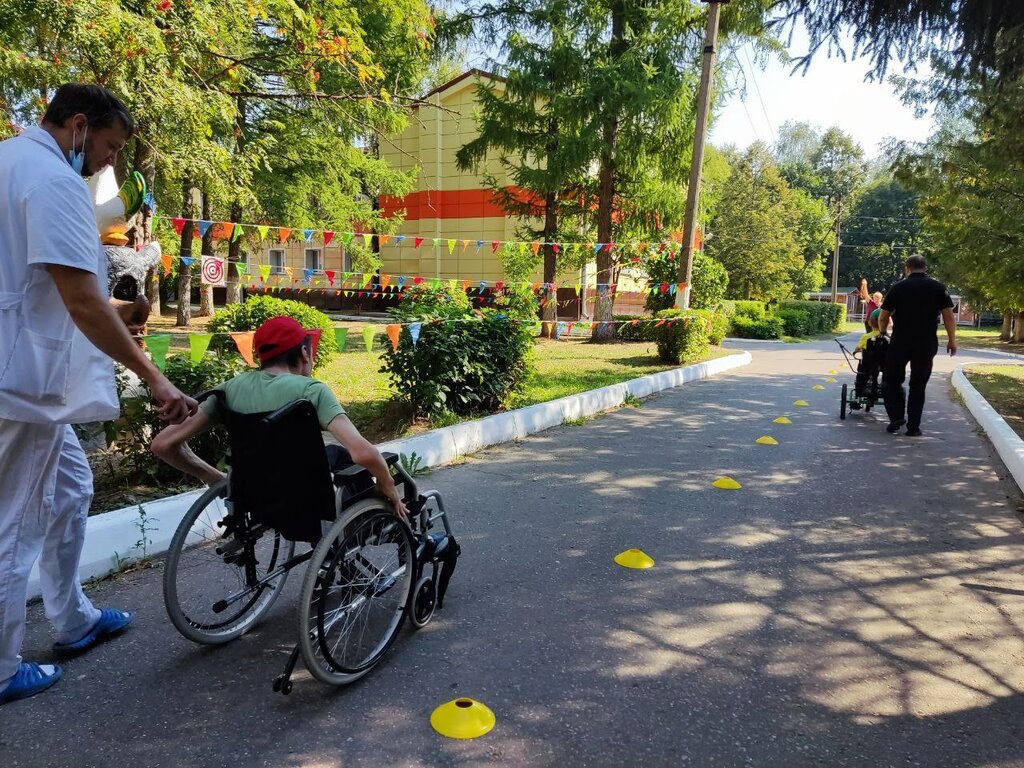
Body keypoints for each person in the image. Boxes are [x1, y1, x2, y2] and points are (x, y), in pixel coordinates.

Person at [0, 84, 196, 705]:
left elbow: (43, 284)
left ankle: (73, 619)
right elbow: (78, 299)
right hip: (23, 384)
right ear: (79, 125)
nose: (110, 163)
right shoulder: (54, 181)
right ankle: (3, 666)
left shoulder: (8, 160)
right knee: (15, 521)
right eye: (109, 147)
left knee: (74, 488)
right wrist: (155, 376)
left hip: (23, 371)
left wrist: (122, 308)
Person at [151, 316, 408, 519]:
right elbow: (364, 454)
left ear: (261, 356)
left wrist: (214, 478)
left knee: (332, 455)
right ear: (305, 353)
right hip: (307, 498)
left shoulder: (229, 389)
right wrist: (388, 487)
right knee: (344, 457)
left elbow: (162, 445)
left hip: (252, 492)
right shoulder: (311, 391)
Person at [878, 254, 957, 437]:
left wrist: (883, 333)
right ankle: (913, 427)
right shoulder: (938, 288)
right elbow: (948, 316)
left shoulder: (898, 288)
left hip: (900, 342)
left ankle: (896, 416)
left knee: (891, 380)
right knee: (918, 384)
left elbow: (883, 316)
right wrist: (952, 340)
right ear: (925, 267)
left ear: (908, 268)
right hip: (926, 343)